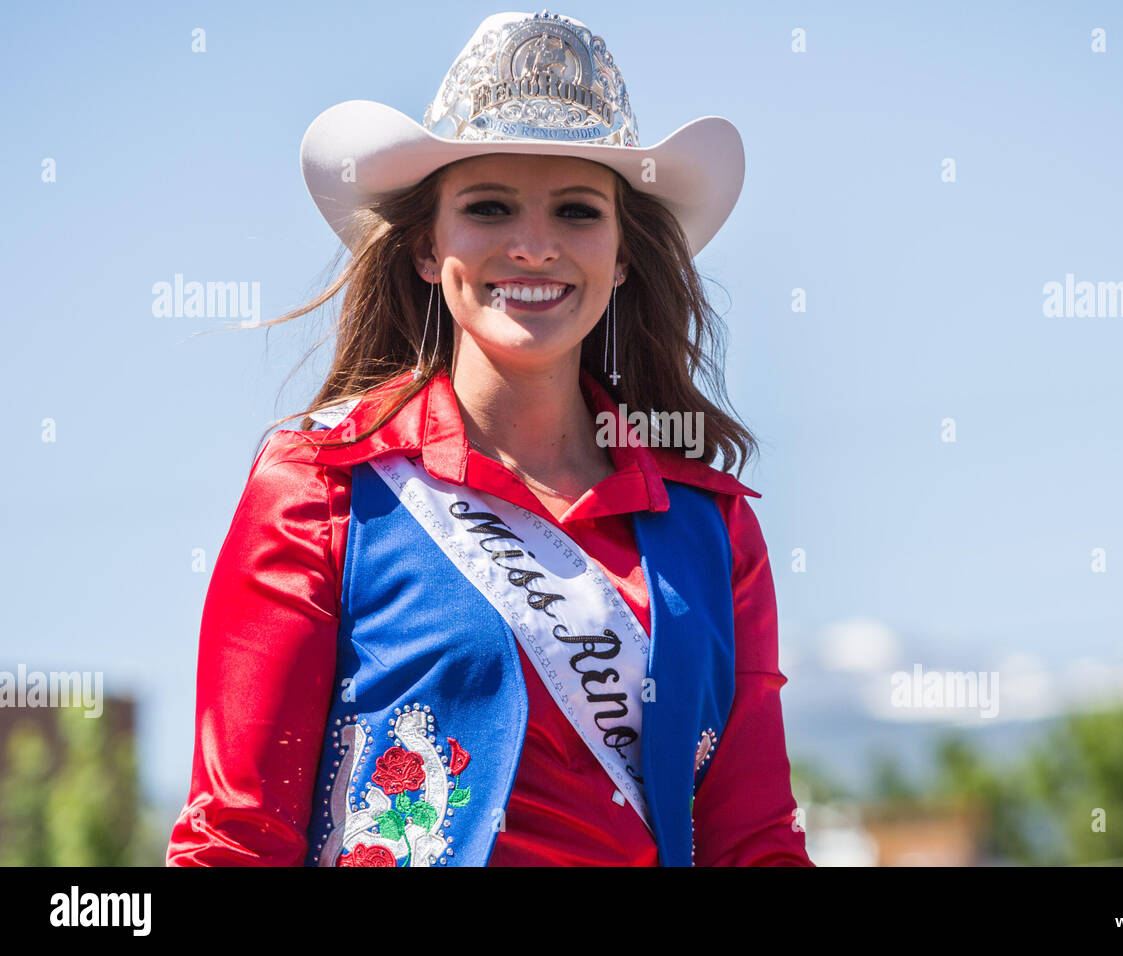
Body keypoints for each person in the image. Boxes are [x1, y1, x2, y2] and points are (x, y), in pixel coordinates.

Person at [165, 9, 812, 867]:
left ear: (622, 257)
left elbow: (753, 841)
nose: (535, 246)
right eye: (490, 207)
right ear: (429, 249)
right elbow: (235, 836)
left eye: (578, 212)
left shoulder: (712, 528)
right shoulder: (322, 488)